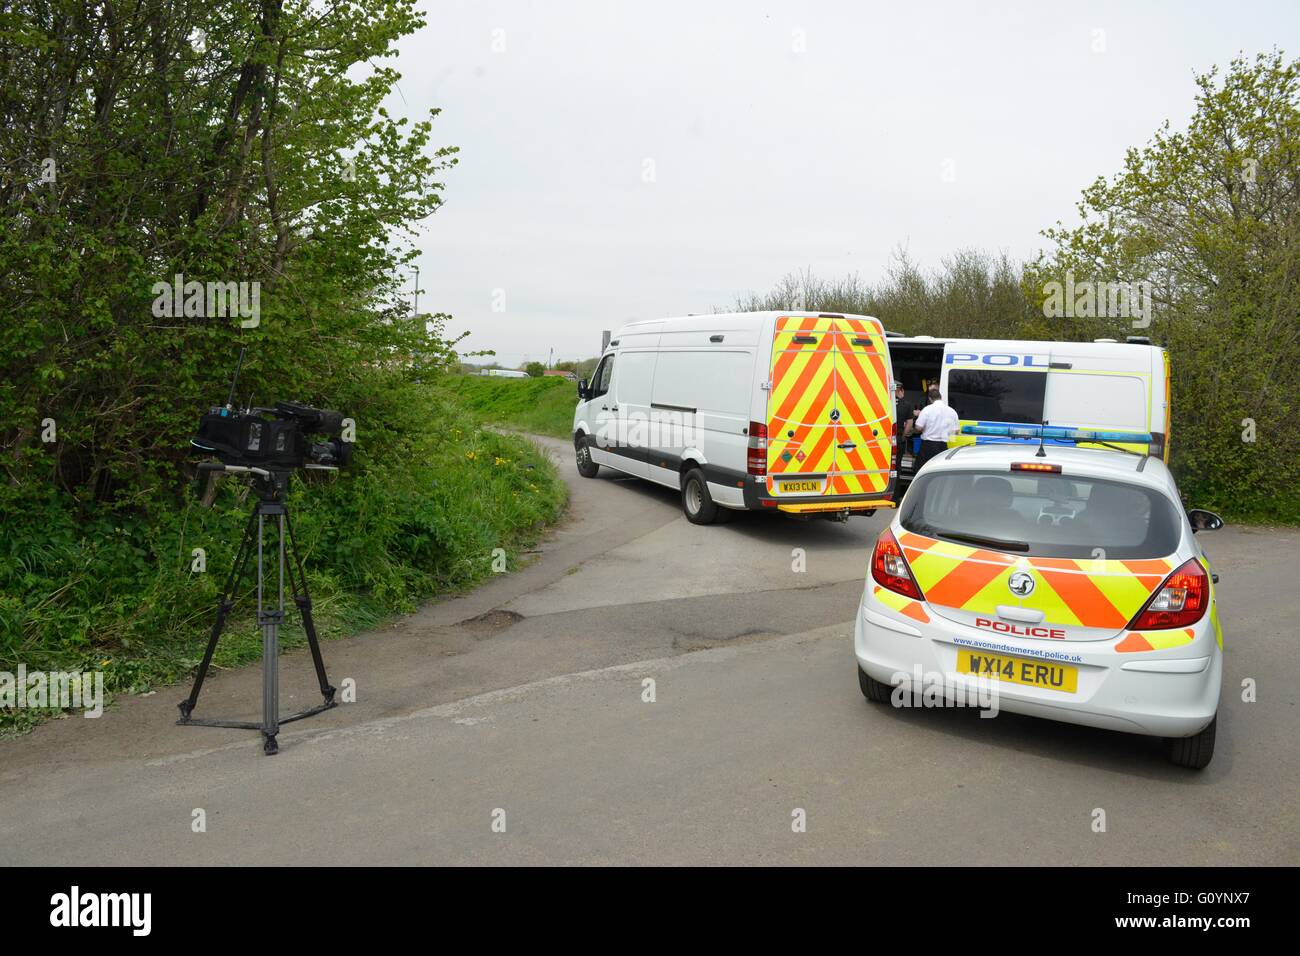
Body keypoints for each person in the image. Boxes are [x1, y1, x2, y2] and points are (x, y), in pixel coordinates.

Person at [912, 385, 960, 472]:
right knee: (939, 470)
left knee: (923, 470)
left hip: (928, 446)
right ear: (941, 397)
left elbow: (918, 427)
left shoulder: (927, 410)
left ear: (930, 399)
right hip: (943, 446)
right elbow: (956, 431)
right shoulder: (952, 411)